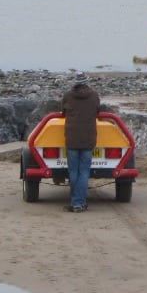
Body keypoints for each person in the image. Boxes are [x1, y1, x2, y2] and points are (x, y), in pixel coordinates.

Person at [60, 71, 100, 213]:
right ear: (87, 81)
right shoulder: (94, 96)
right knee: (84, 172)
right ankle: (80, 202)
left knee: (73, 172)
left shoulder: (68, 96)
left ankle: (76, 203)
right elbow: (97, 112)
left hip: (72, 138)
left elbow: (63, 113)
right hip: (89, 139)